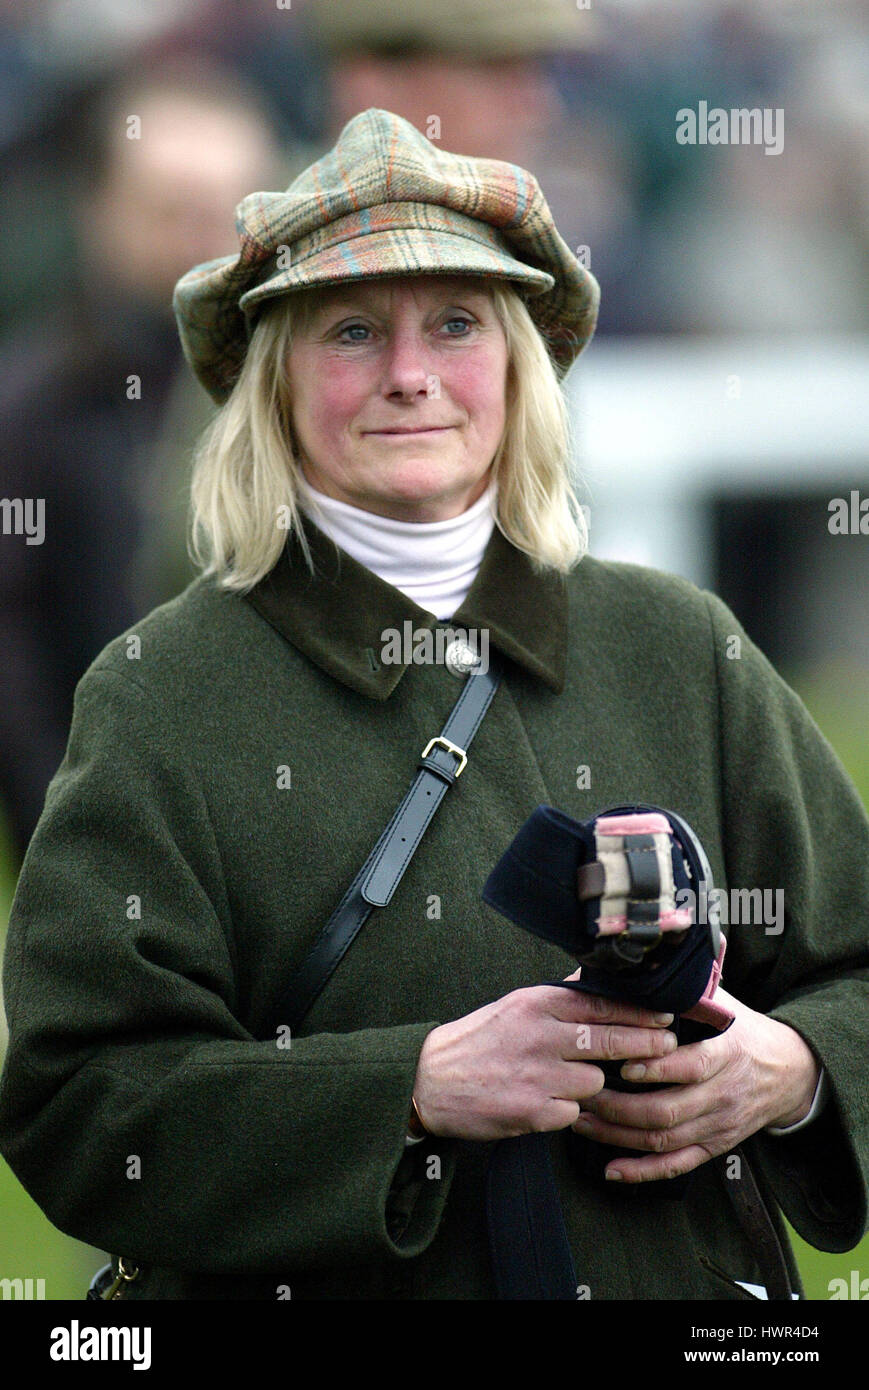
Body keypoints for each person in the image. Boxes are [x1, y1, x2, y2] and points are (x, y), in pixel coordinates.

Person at [0, 109, 866, 1302]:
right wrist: (409, 1084)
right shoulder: (162, 690)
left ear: (516, 362)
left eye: (455, 323)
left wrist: (795, 1065)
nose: (409, 375)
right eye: (353, 330)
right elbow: (77, 1101)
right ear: (275, 381)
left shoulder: (679, 644)